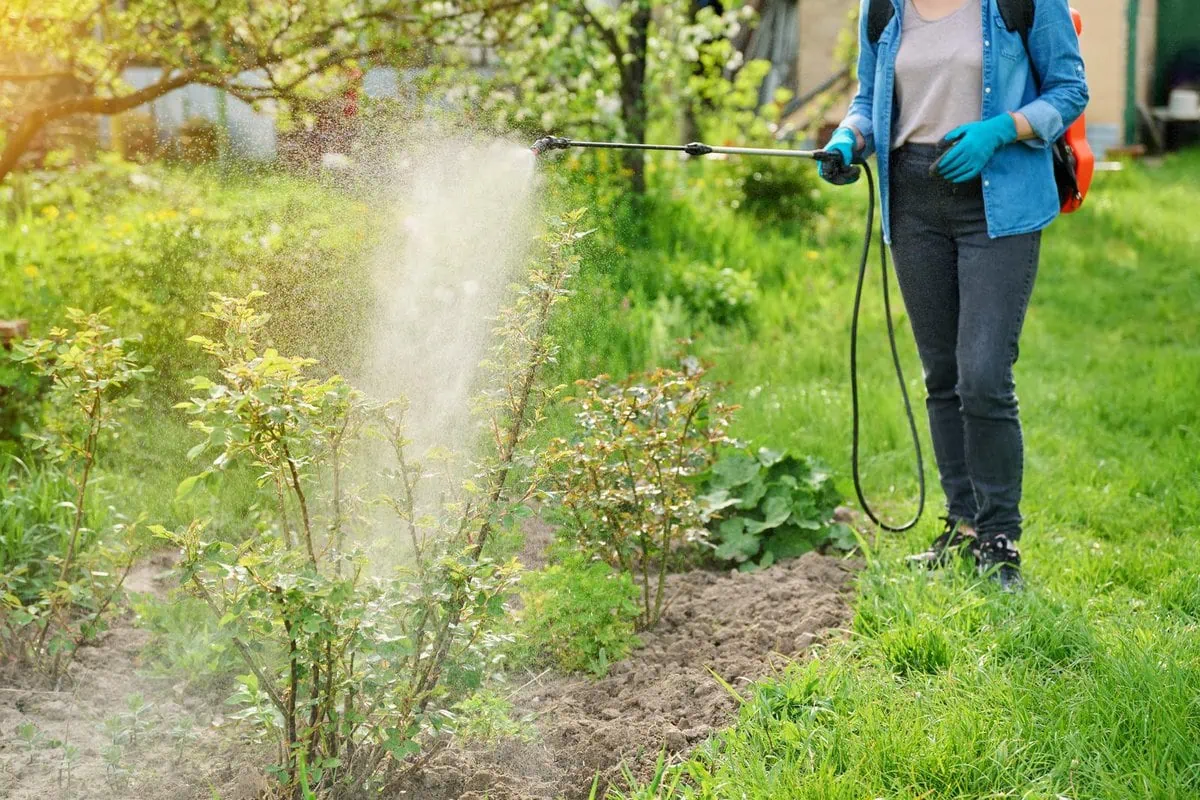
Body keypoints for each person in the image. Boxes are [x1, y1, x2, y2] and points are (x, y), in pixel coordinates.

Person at [819, 0, 1088, 589]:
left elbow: (1069, 91)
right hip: (913, 203)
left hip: (999, 200)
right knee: (942, 374)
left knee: (984, 374)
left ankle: (999, 537)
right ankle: (963, 526)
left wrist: (1001, 129)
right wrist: (849, 138)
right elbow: (869, 100)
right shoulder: (883, 6)